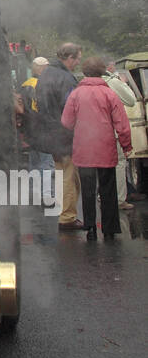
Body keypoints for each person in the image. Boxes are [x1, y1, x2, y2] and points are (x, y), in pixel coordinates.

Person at [61, 55, 133, 241]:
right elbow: (122, 123)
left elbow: (66, 122)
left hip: (84, 148)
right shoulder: (109, 93)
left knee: (88, 189)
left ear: (85, 72)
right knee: (108, 188)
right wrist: (126, 145)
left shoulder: (76, 93)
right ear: (102, 72)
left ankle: (91, 227)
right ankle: (109, 229)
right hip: (106, 147)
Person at [34, 43, 83, 230]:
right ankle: (68, 217)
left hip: (50, 133)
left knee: (63, 173)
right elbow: (72, 108)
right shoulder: (65, 78)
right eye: (77, 58)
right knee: (69, 176)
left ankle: (66, 214)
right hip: (65, 133)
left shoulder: (45, 74)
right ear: (69, 58)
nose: (78, 62)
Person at [102, 57, 137, 221]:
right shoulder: (113, 81)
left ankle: (103, 195)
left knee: (101, 164)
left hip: (94, 131)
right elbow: (131, 100)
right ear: (109, 66)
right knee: (119, 162)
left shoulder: (88, 83)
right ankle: (119, 199)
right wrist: (122, 82)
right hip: (112, 130)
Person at [20, 56, 54, 176]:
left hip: (30, 130)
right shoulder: (42, 85)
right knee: (46, 163)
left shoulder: (25, 84)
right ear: (41, 68)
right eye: (46, 67)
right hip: (43, 130)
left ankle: (34, 191)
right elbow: (44, 110)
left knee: (33, 163)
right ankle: (47, 194)